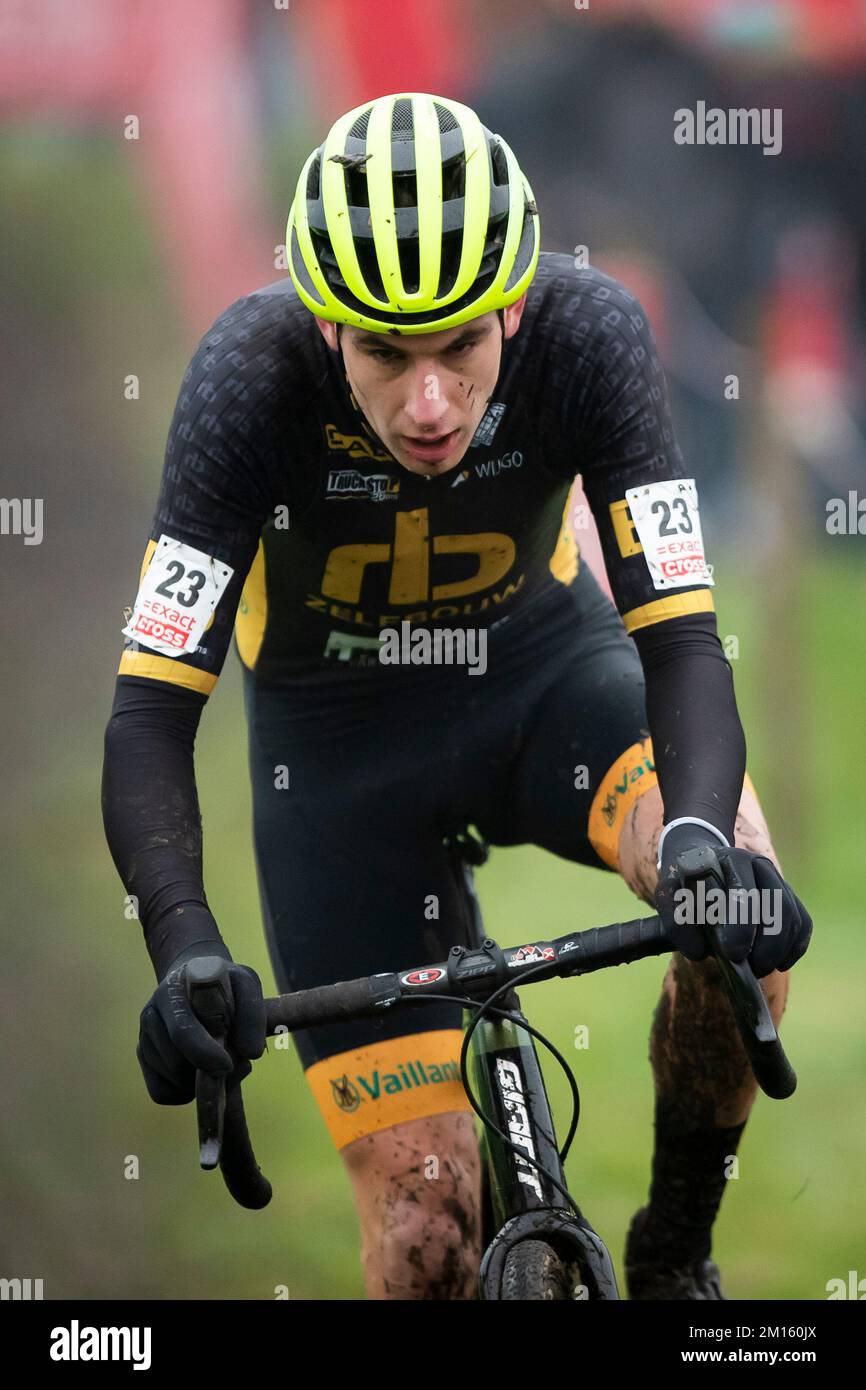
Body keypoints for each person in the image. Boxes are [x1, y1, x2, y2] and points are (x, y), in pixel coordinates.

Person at [102, 91, 812, 1300]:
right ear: (327, 330)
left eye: (460, 349)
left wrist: (692, 836)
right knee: (425, 1240)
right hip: (336, 766)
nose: (428, 404)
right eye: (385, 353)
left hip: (545, 686)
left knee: (741, 895)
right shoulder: (245, 381)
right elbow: (152, 713)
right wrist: (184, 949)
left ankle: (675, 1249)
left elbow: (682, 638)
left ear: (513, 309)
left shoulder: (588, 338)